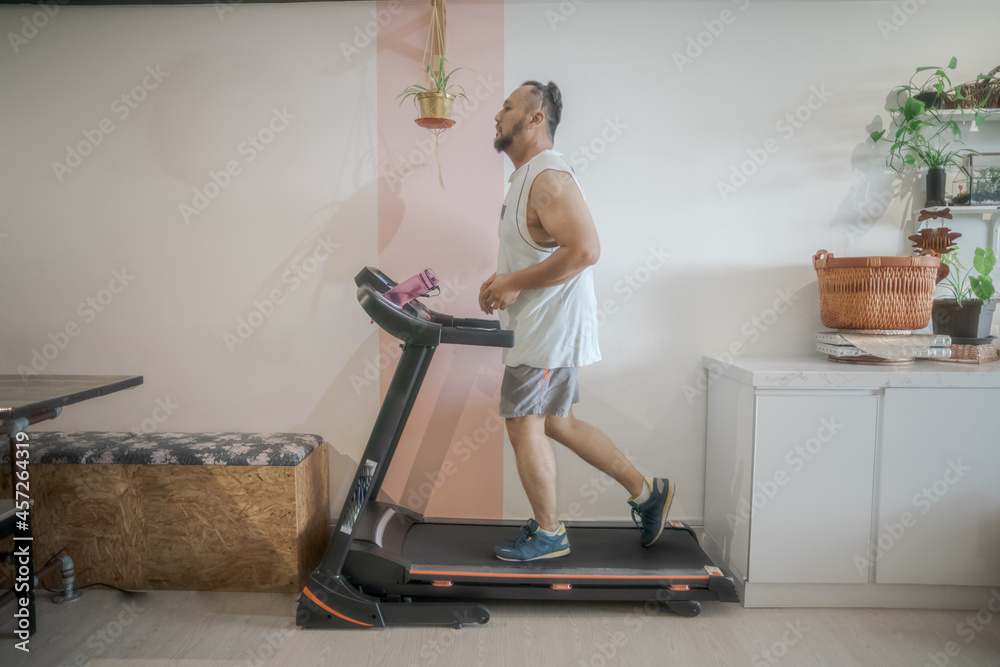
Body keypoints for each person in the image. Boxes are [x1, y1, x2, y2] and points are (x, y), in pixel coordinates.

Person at [479, 80, 674, 562]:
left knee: (524, 423)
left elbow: (585, 249)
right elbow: (543, 248)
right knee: (558, 424)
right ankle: (647, 492)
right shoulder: (527, 177)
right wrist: (506, 279)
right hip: (544, 327)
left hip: (547, 331)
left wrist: (516, 282)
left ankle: (549, 534)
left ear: (535, 118)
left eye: (507, 108)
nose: (497, 115)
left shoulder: (548, 176)